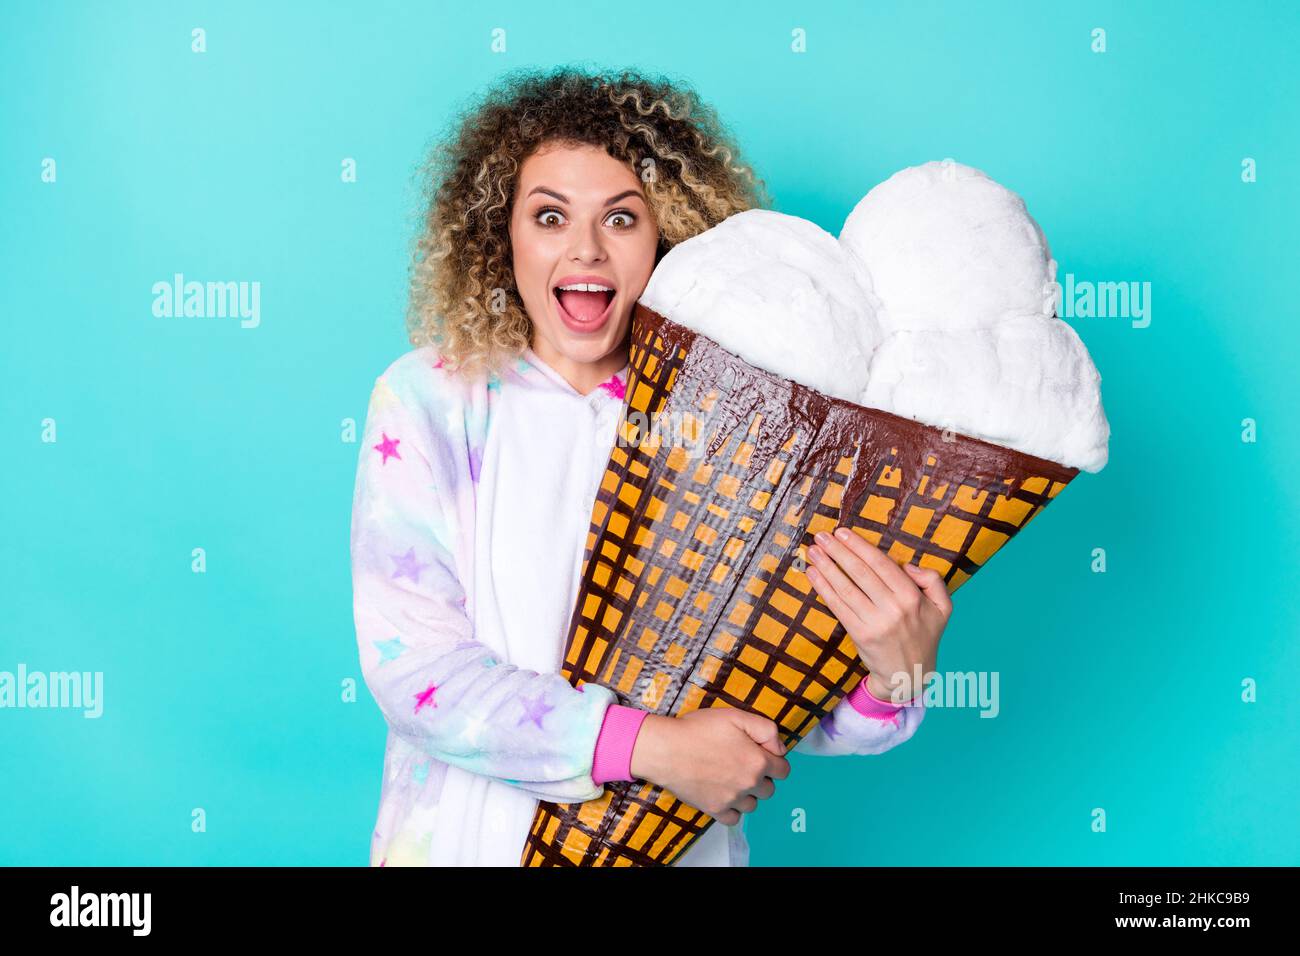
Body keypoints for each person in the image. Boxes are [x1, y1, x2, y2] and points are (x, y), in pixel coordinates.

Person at [350, 66, 949, 867]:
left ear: (671, 237)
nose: (585, 248)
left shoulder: (738, 427)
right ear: (503, 235)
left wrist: (892, 676)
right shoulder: (428, 400)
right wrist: (652, 747)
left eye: (622, 218)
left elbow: (784, 706)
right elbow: (419, 675)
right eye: (550, 216)